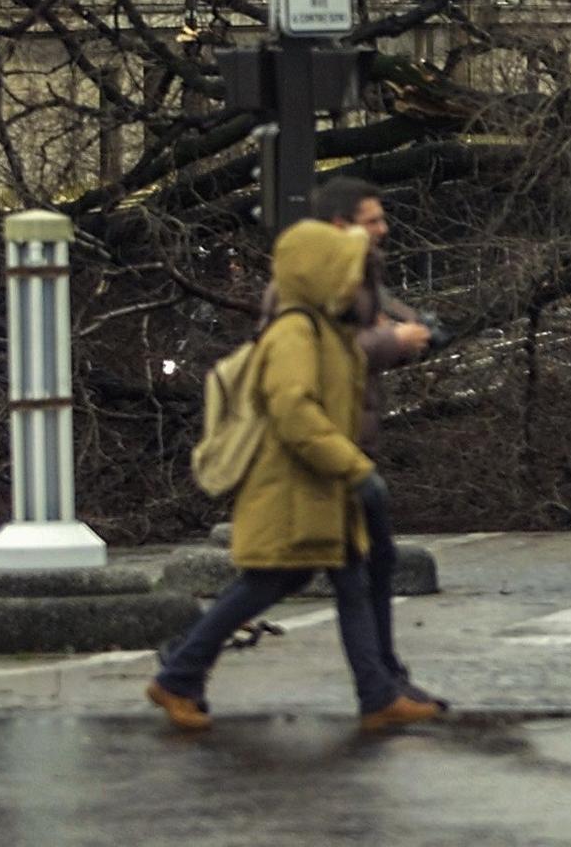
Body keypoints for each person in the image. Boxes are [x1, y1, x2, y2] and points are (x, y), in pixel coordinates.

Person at [147, 220, 444, 733]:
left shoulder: (322, 329)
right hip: (295, 486)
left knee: (347, 579)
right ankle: (179, 674)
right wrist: (355, 469)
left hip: (318, 486)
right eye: (345, 271)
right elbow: (293, 412)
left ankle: (376, 694)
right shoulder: (295, 333)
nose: (355, 282)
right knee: (266, 583)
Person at [302, 176, 438, 703]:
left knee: (362, 566)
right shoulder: (318, 280)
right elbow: (319, 353)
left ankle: (383, 684)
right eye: (372, 220)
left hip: (351, 442)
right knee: (316, 573)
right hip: (329, 447)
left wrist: (407, 335)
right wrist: (391, 339)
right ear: (341, 226)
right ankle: (181, 669)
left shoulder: (357, 278)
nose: (384, 228)